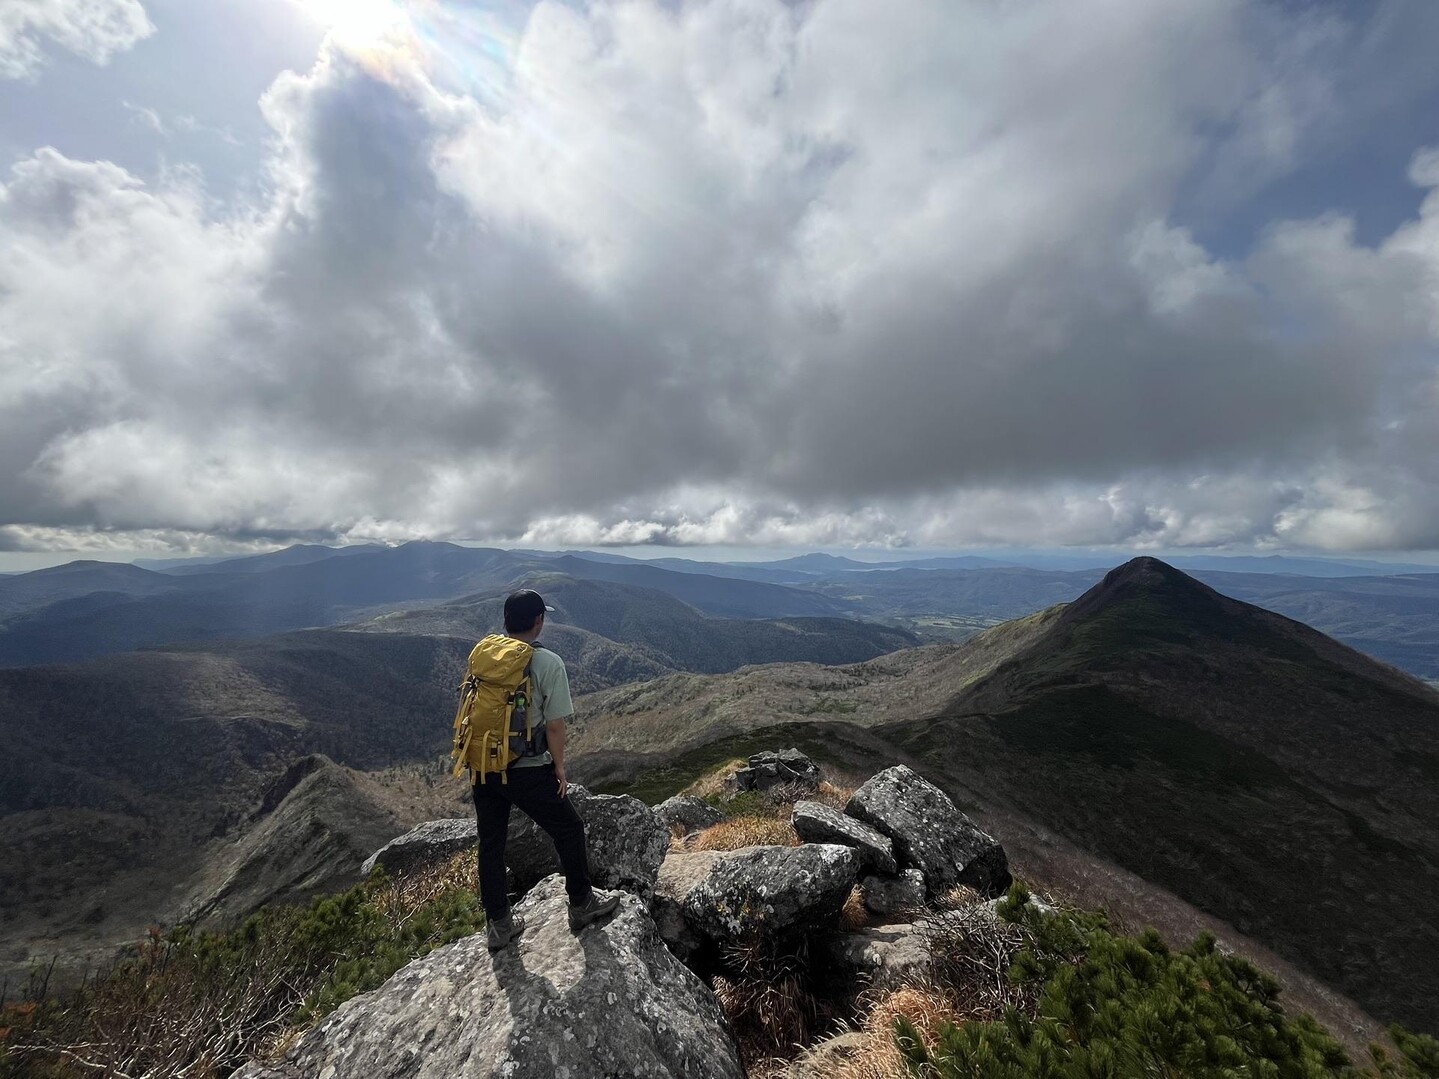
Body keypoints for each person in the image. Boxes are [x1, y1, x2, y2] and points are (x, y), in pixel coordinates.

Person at [474, 588, 619, 951]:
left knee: (491, 843)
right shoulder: (548, 663)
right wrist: (559, 768)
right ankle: (582, 904)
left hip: (484, 764)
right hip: (525, 768)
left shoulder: (486, 654)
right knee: (569, 828)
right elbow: (554, 726)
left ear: (506, 622)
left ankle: (498, 925)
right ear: (539, 621)